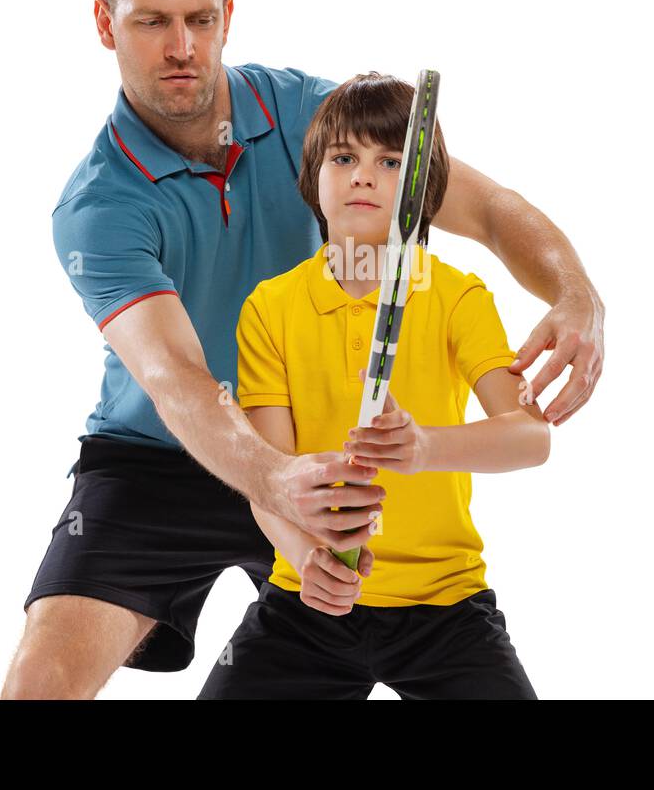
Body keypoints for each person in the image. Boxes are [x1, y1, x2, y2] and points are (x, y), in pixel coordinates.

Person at [0, 0, 605, 700]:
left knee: (379, 622)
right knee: (38, 685)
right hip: (159, 458)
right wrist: (272, 482)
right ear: (105, 24)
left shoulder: (314, 119)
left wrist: (577, 293)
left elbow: (487, 208)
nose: (182, 47)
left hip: (312, 440)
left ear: (228, 18)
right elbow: (177, 374)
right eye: (152, 22)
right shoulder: (96, 207)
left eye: (200, 19)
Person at [198, 73, 549, 699]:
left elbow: (530, 438)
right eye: (344, 157)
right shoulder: (270, 308)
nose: (364, 175)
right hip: (306, 600)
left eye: (391, 161)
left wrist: (425, 449)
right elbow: (266, 477)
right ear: (314, 179)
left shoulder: (457, 297)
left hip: (447, 604)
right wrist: (305, 557)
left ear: (423, 190)